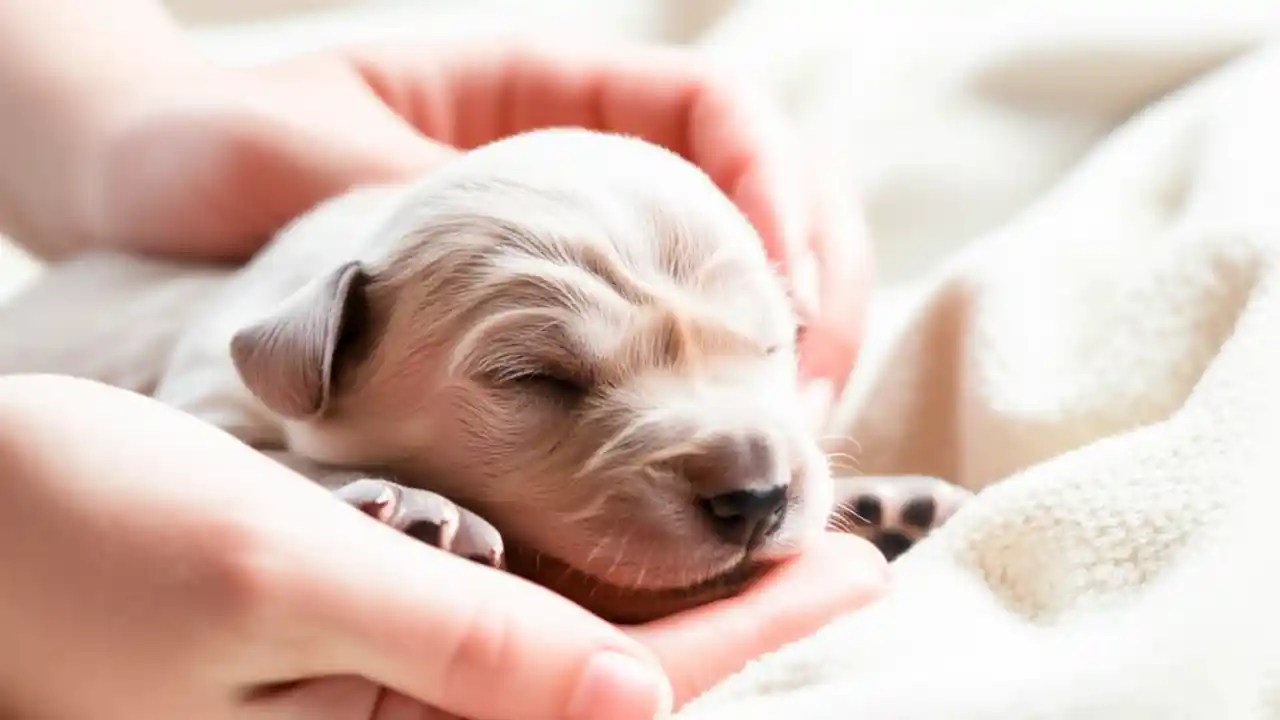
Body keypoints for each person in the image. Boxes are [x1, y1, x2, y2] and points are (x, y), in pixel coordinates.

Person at [0, 1, 884, 718]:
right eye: (546, 378)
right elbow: (212, 445)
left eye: (771, 337)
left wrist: (124, 126)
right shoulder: (281, 339)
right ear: (319, 362)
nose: (751, 472)